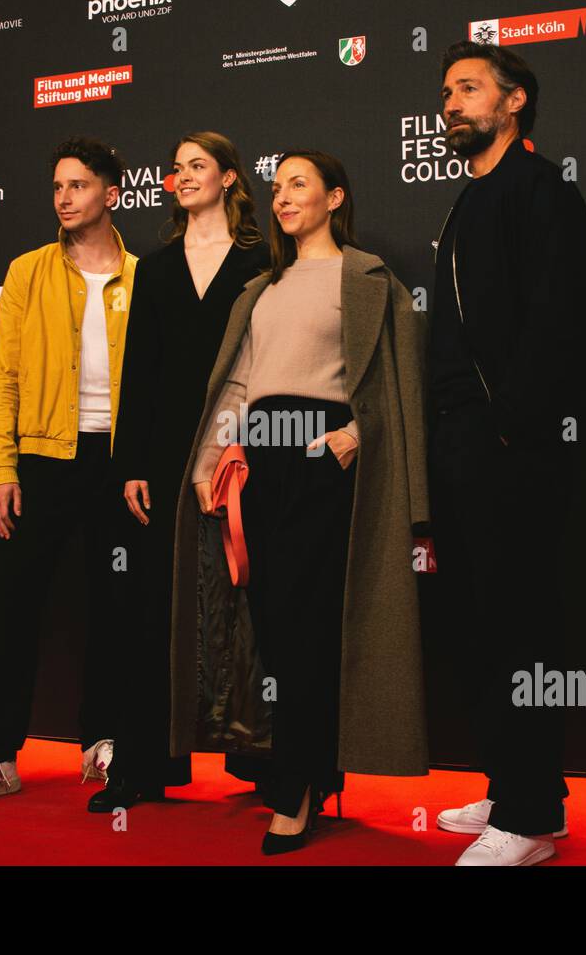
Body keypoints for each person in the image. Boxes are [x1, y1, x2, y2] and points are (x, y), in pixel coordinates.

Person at [171, 149, 431, 854]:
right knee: (275, 627)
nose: (282, 197)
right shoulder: (262, 289)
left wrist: (353, 434)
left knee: (314, 627)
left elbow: (397, 387)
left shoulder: (369, 279)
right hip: (260, 464)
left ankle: (296, 787)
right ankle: (308, 772)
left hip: (322, 463)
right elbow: (235, 385)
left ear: (335, 197)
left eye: (298, 185)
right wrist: (206, 459)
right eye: (277, 186)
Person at [427, 41, 586, 865]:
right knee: (483, 623)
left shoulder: (544, 189)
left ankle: (527, 820)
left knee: (522, 624)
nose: (451, 103)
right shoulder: (469, 199)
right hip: (464, 443)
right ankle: (518, 788)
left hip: (516, 447)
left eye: (468, 89)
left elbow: (558, 325)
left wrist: (507, 427)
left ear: (515, 100)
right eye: (447, 92)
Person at [0, 136, 138, 809]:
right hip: (44, 462)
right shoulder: (27, 271)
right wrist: (1, 470)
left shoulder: (145, 276)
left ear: (112, 194)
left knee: (114, 609)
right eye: (56, 186)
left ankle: (104, 745)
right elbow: (4, 379)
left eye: (77, 185)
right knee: (13, 610)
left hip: (117, 462)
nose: (63, 197)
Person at [90, 132, 271, 812]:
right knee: (153, 607)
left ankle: (265, 763)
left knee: (250, 599)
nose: (183, 176)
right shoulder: (158, 267)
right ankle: (144, 767)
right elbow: (138, 372)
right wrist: (132, 462)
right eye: (175, 169)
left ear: (229, 177)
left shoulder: (261, 258)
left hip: (244, 447)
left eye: (198, 166)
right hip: (165, 453)